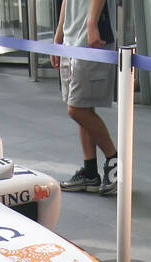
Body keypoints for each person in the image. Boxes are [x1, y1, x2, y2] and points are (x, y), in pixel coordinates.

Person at [51, 0, 118, 195]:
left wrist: (91, 24)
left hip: (90, 40)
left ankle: (114, 160)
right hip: (72, 39)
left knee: (77, 109)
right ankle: (90, 172)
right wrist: (59, 35)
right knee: (83, 107)